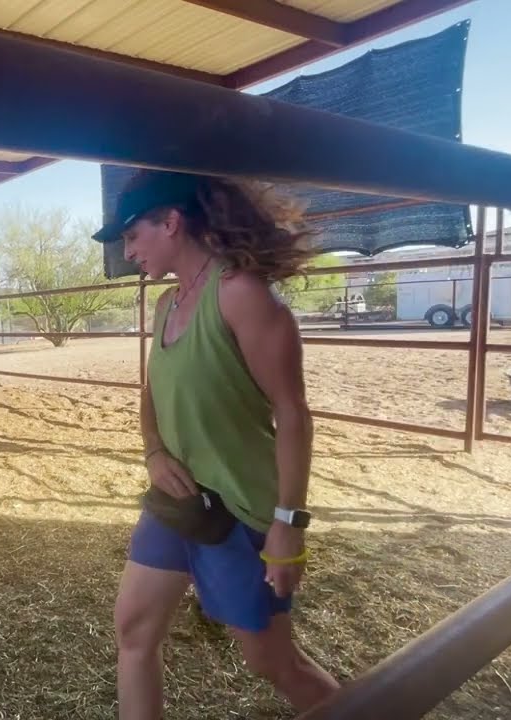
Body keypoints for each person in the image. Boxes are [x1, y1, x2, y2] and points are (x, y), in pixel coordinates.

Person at [91, 169, 340, 718]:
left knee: (271, 661)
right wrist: (154, 453)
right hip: (179, 503)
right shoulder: (166, 305)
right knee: (133, 630)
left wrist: (288, 522)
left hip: (240, 509)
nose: (127, 252)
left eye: (132, 236)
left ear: (171, 222)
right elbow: (153, 393)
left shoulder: (240, 294)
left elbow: (292, 414)